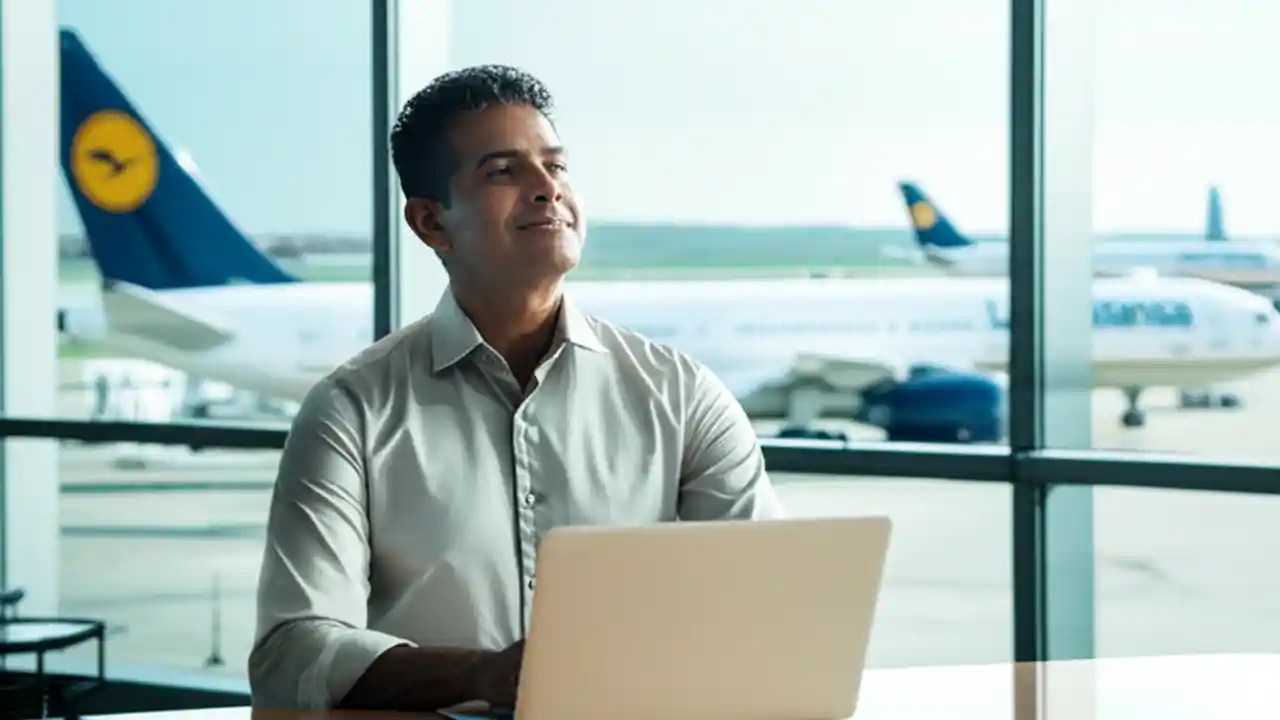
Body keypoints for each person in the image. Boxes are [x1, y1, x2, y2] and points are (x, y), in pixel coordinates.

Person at [247, 64, 784, 712]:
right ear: (429, 223)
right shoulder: (352, 411)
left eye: (555, 166)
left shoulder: (683, 395)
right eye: (503, 171)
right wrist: (480, 675)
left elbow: (761, 611)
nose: (545, 189)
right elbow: (293, 653)